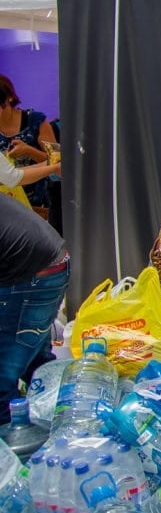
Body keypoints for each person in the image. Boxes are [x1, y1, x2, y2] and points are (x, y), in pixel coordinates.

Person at [0, 163, 67, 425]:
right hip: (48, 265)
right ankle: (57, 424)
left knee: (3, 377)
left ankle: (14, 457)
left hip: (33, 275)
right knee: (37, 366)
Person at [0, 74, 58, 208]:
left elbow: (57, 159)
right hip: (7, 204)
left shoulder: (36, 121)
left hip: (40, 202)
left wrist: (29, 151)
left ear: (9, 98)